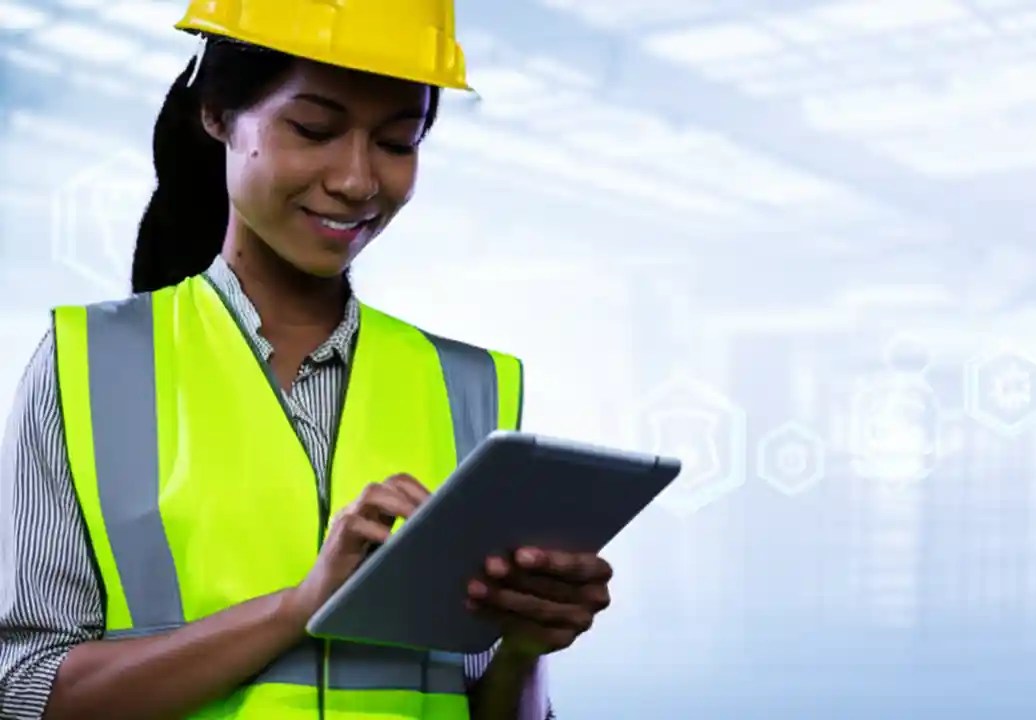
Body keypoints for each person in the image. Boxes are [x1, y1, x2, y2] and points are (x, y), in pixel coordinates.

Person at [0, 2, 615, 718]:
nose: (357, 180)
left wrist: (524, 648)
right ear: (219, 114)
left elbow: (481, 702)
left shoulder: (473, 388)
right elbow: (23, 691)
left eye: (396, 141)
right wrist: (299, 607)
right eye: (314, 129)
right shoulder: (89, 366)